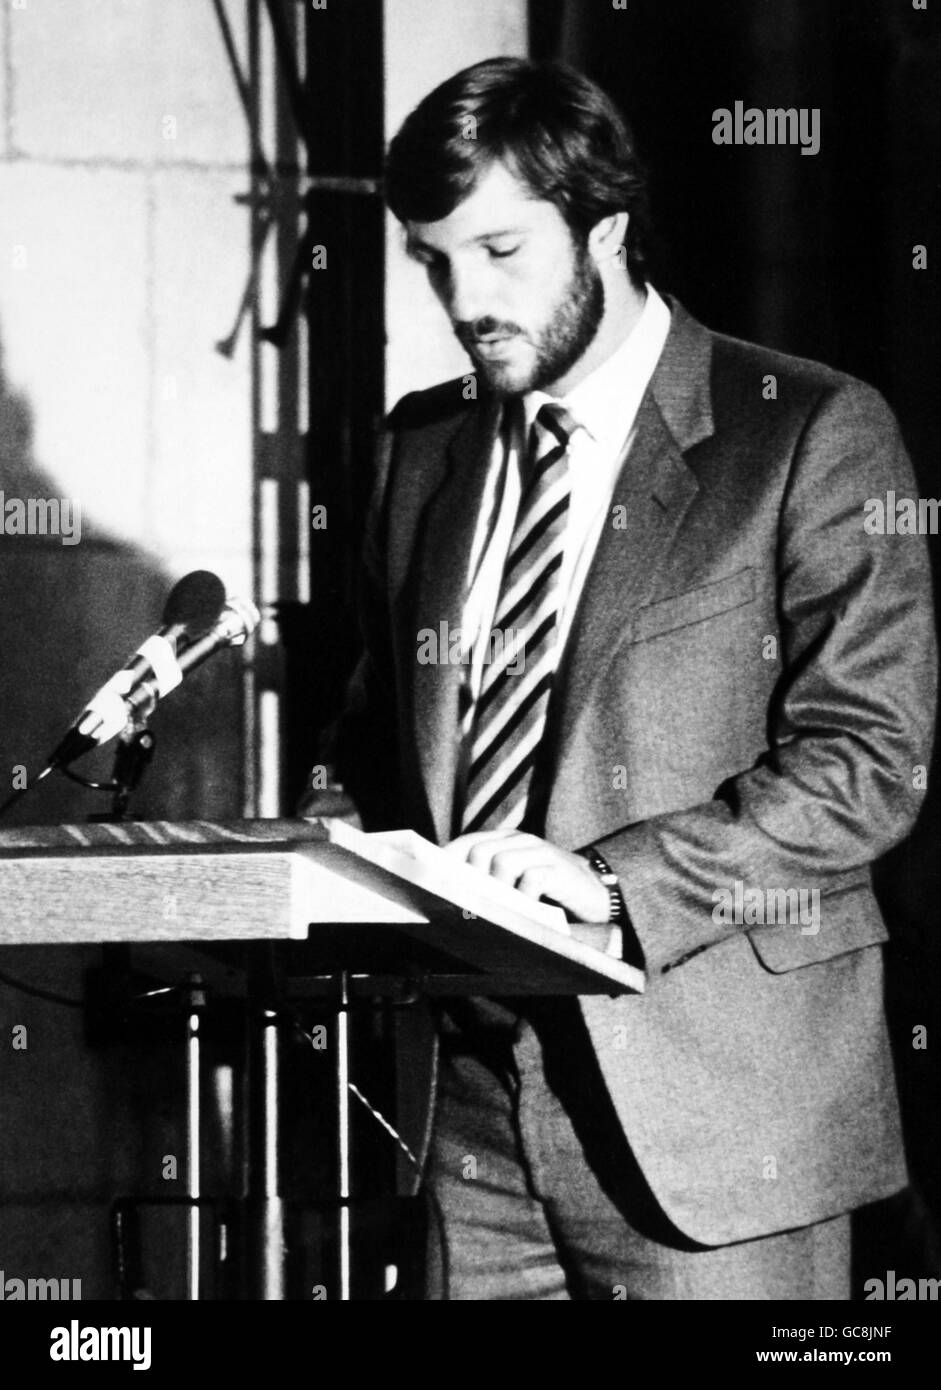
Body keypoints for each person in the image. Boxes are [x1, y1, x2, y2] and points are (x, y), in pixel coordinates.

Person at [312, 56, 937, 1299]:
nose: (462, 299)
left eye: (499, 252)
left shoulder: (805, 429)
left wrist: (604, 882)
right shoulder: (420, 447)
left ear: (602, 228)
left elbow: (868, 764)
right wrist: (331, 835)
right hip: (470, 1116)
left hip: (716, 1120)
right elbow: (381, 729)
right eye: (432, 261)